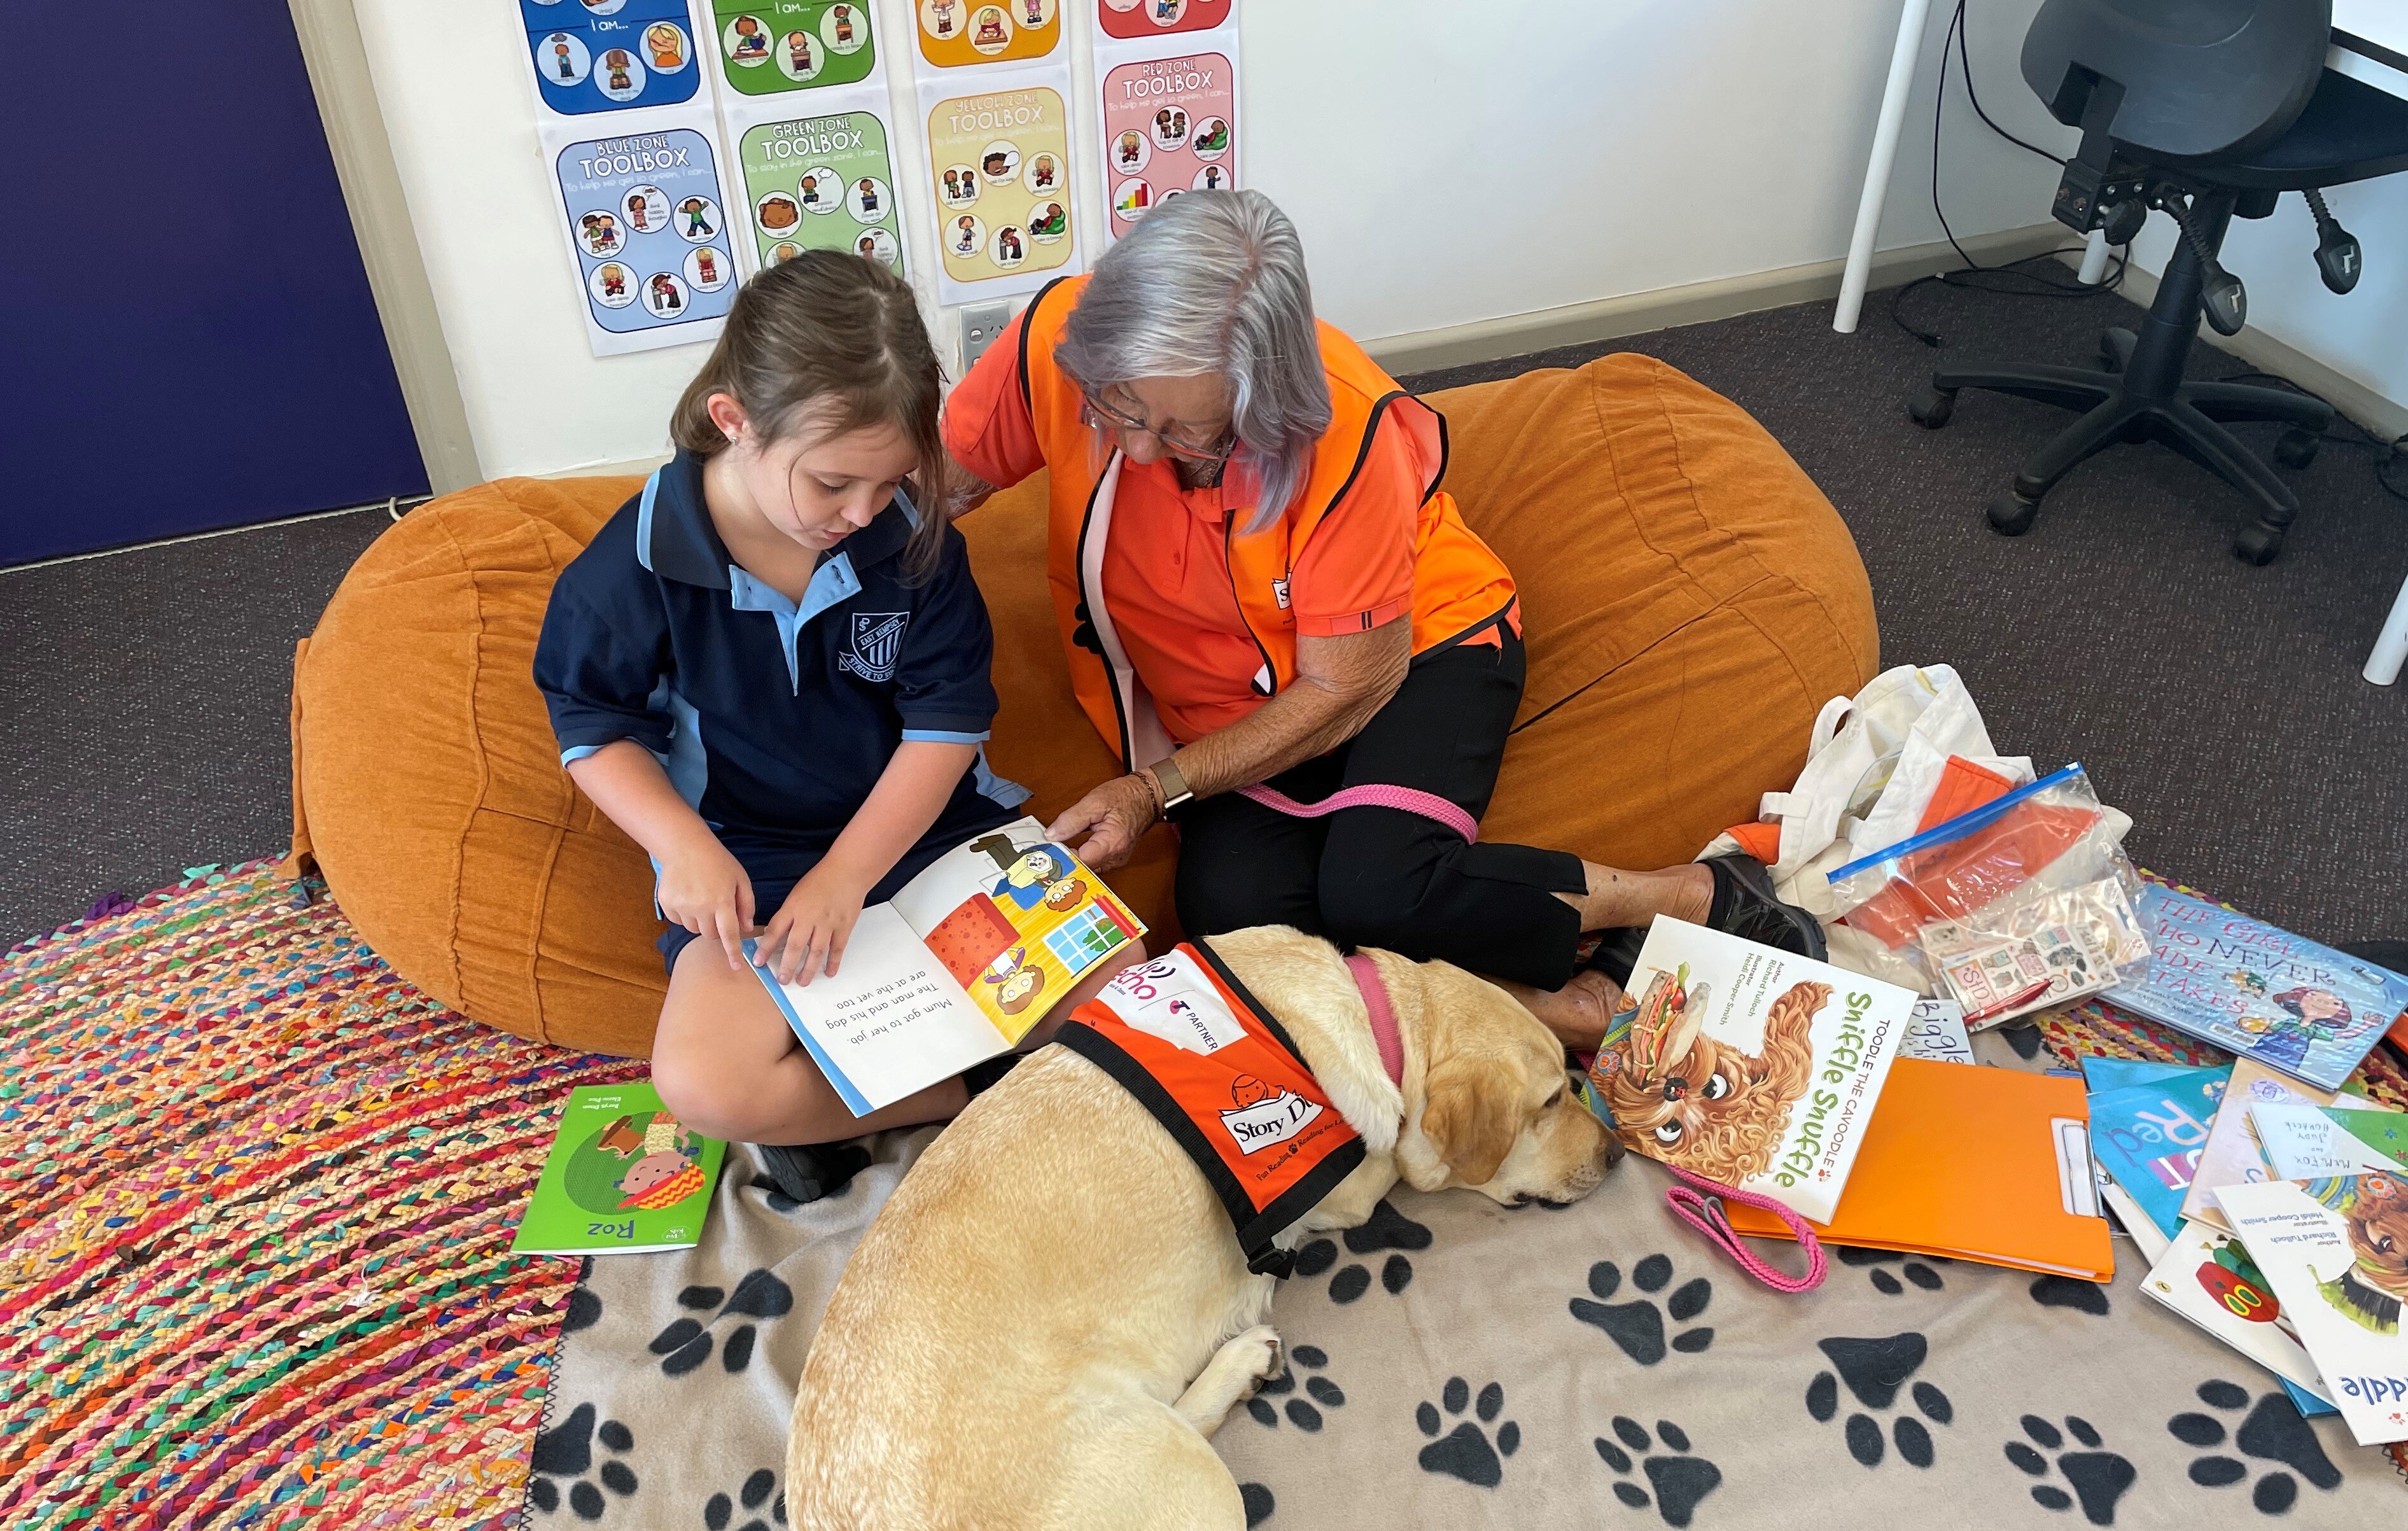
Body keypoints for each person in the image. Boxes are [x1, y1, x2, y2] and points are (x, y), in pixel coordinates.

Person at [942, 192, 1817, 1049]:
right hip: (1227, 707)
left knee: (1381, 893)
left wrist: (1153, 792)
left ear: (1261, 405)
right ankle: (1569, 1009)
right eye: (1118, 407)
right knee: (1240, 930)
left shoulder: (1345, 434)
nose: (1132, 450)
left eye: (1185, 433)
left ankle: (1678, 896)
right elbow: (942, 481)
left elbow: (1342, 686)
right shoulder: (1060, 341)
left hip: (1414, 654)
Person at [534, 253, 1137, 1201]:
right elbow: (592, 726)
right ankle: (983, 1087)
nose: (861, 514)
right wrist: (681, 846)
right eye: (830, 485)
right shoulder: (632, 567)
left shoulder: (914, 534)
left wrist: (847, 879)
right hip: (751, 861)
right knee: (704, 1084)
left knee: (1115, 979)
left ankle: (882, 1104)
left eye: (890, 479)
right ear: (733, 422)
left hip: (931, 834)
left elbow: (943, 730)